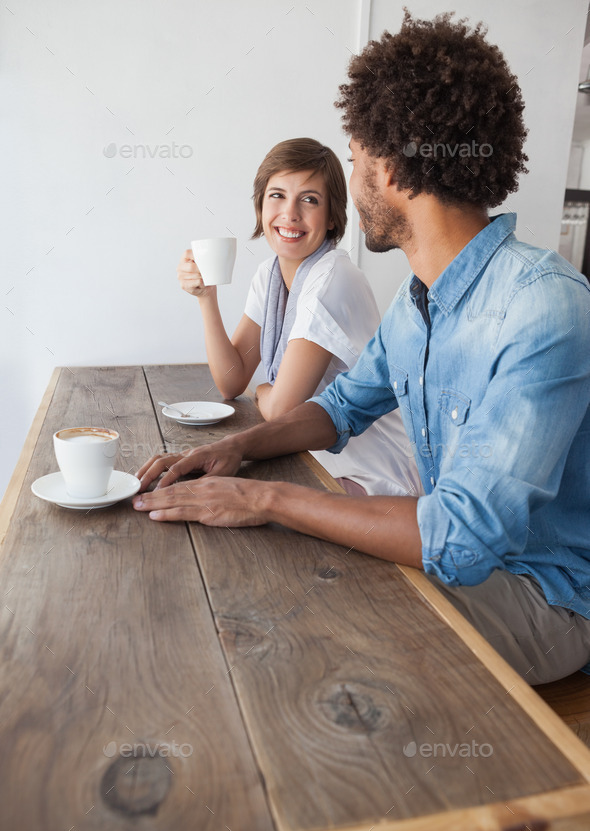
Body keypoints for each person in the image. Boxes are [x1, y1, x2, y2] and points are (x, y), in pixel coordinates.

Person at [134, 12, 590, 686]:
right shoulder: (420, 301)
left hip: (543, 598)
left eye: (354, 160)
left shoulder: (543, 304)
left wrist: (265, 501)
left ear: (394, 167)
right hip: (464, 567)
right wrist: (235, 449)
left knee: (308, 642)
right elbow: (340, 406)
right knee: (263, 585)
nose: (352, 179)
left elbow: (461, 537)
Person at [177, 137, 420, 497]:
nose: (290, 213)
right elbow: (230, 382)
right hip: (318, 461)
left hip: (375, 475)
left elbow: (280, 410)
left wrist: (262, 391)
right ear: (260, 205)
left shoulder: (332, 278)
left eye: (309, 200)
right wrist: (206, 299)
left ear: (333, 215)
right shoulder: (270, 275)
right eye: (277, 195)